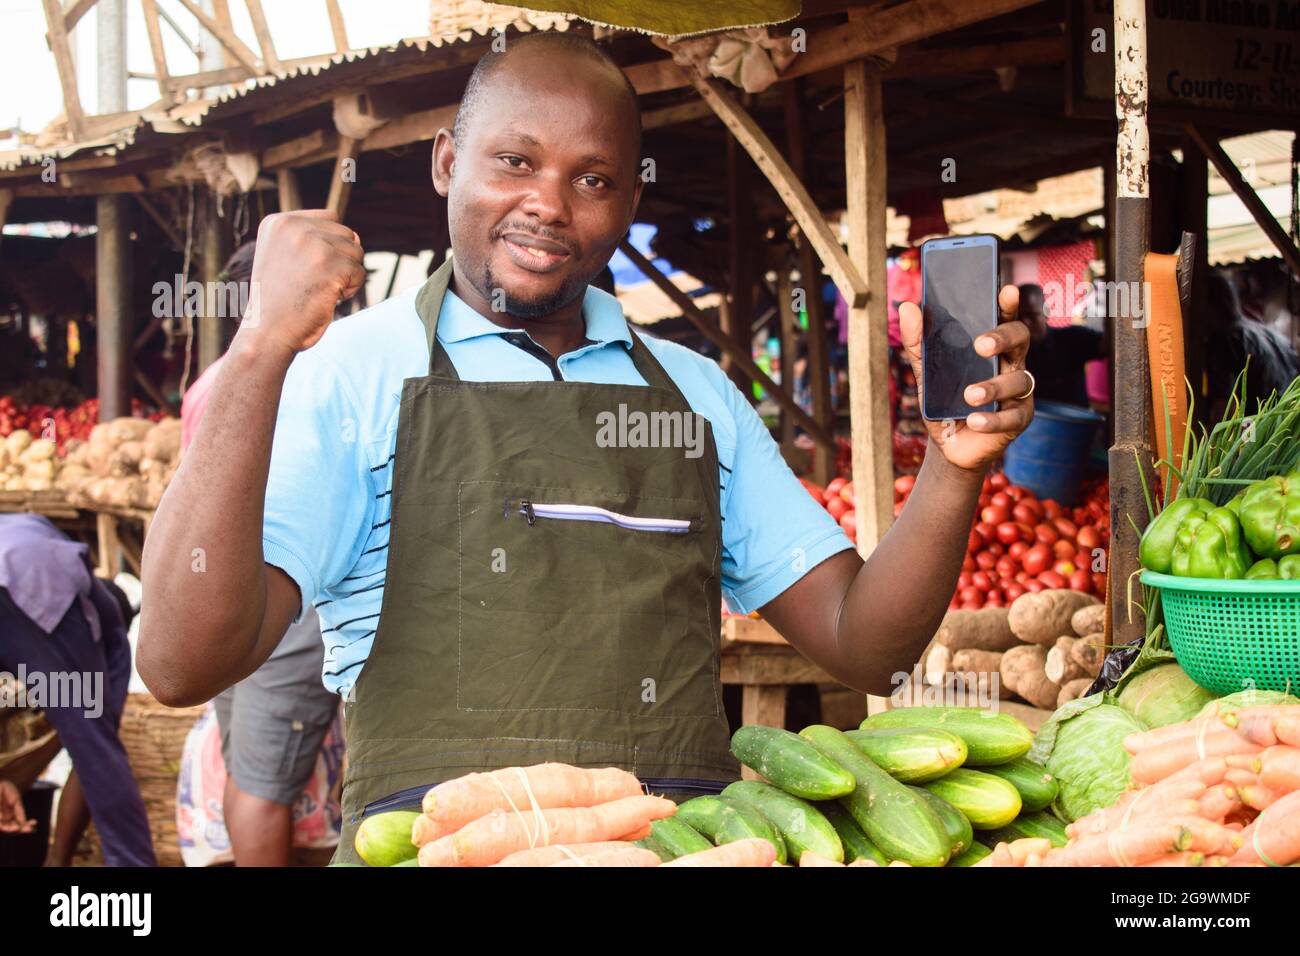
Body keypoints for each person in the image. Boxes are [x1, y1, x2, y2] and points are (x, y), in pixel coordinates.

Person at [138, 32, 1034, 863]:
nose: (548, 206)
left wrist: (954, 470)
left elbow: (863, 647)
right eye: (515, 161)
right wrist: (259, 346)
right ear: (449, 162)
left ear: (630, 199)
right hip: (441, 848)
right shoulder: (354, 375)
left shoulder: (694, 391)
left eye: (593, 179)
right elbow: (181, 666)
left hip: (676, 849)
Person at [181, 243, 341, 867]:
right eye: (329, 294)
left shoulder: (210, 384)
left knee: (249, 765)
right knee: (263, 786)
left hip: (229, 597)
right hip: (290, 593)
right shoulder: (309, 379)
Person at [0, 514, 155, 866]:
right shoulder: (101, 633)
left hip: (22, 570)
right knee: (95, 749)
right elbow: (96, 758)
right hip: (23, 577)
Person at [1206, 271, 1300, 420]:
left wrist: (1211, 440)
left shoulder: (1225, 340)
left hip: (1258, 434)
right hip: (1287, 429)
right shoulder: (1270, 334)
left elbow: (1224, 409)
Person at [1019, 283, 1106, 408]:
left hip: (1075, 424)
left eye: (1032, 316)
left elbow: (1109, 344)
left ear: (1047, 312)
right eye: (1018, 317)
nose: (1024, 323)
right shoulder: (1009, 354)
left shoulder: (1072, 339)